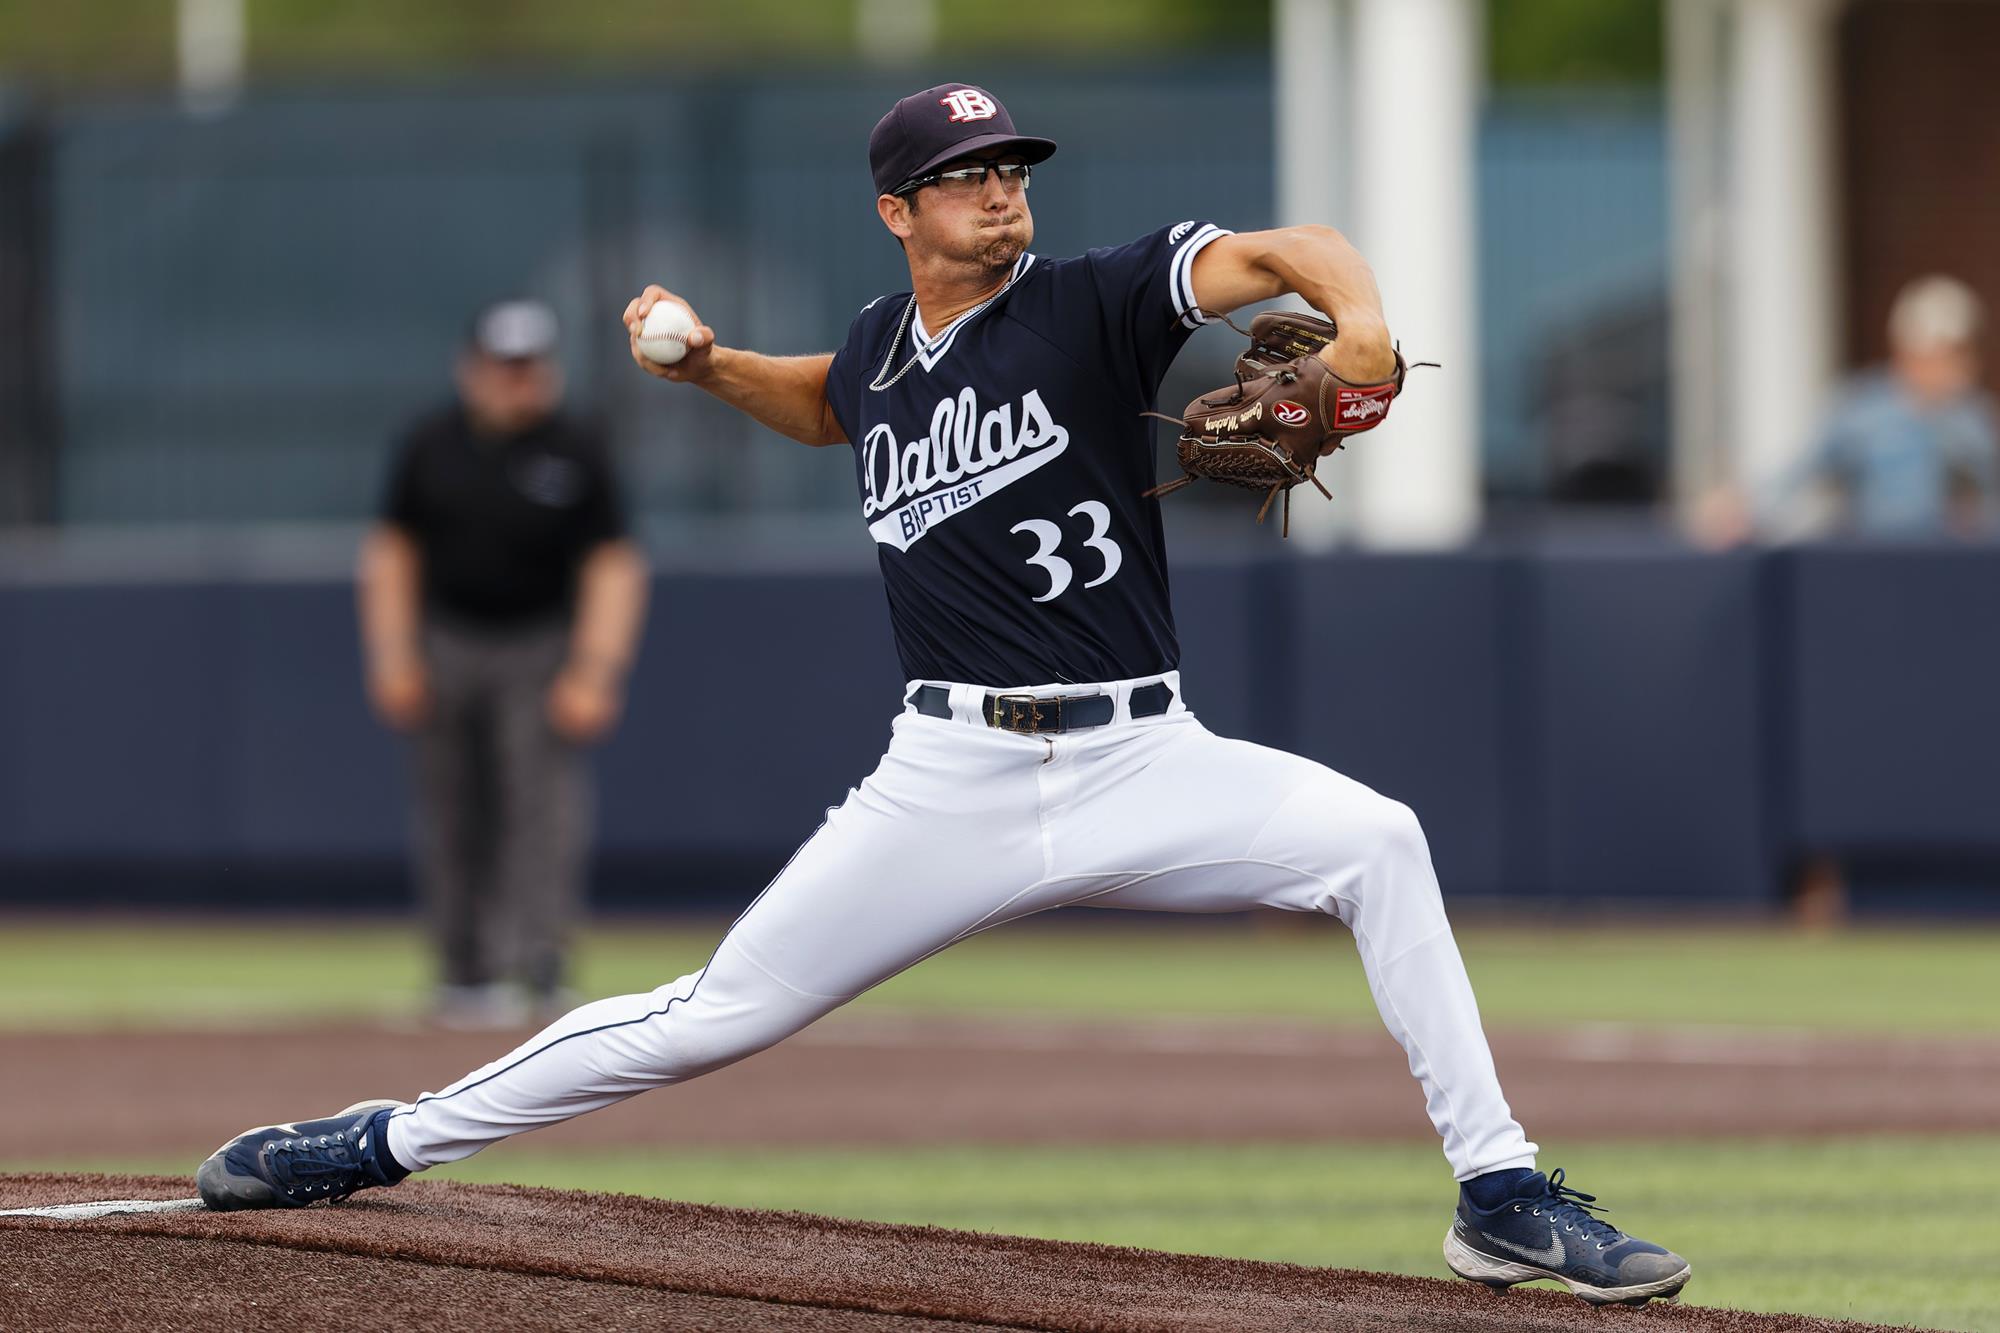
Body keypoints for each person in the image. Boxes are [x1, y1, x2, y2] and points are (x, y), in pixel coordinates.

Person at [198, 85, 1688, 1306]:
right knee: (709, 1015)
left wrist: (1355, 326)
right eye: (963, 173)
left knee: (1379, 841)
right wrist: (713, 365)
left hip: (1144, 753)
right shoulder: (876, 349)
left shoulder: (1097, 303)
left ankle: (1497, 1191)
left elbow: (1297, 245)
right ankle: (383, 1137)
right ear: (897, 211)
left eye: (1008, 165)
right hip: (947, 780)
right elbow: (822, 405)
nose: (998, 187)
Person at [360, 299, 648, 1026]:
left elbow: (613, 563)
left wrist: (596, 667)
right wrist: (393, 653)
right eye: (505, 367)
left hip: (539, 643)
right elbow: (392, 552)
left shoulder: (576, 445)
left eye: (531, 367)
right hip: (449, 638)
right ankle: (463, 967)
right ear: (474, 369)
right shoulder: (432, 443)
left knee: (540, 806)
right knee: (453, 805)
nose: (519, 382)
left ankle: (541, 959)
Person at [1698, 275, 1999, 545]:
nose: (1950, 367)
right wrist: (1742, 506)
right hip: (1877, 571)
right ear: (1905, 351)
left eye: (1959, 353)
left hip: (1955, 576)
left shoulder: (1975, 420)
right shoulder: (1863, 411)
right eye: (1939, 354)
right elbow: (1803, 468)